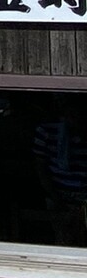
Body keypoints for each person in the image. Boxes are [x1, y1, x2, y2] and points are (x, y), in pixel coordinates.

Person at [33, 105, 87, 246]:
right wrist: (56, 198)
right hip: (58, 194)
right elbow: (41, 168)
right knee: (64, 238)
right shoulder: (47, 130)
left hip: (84, 194)